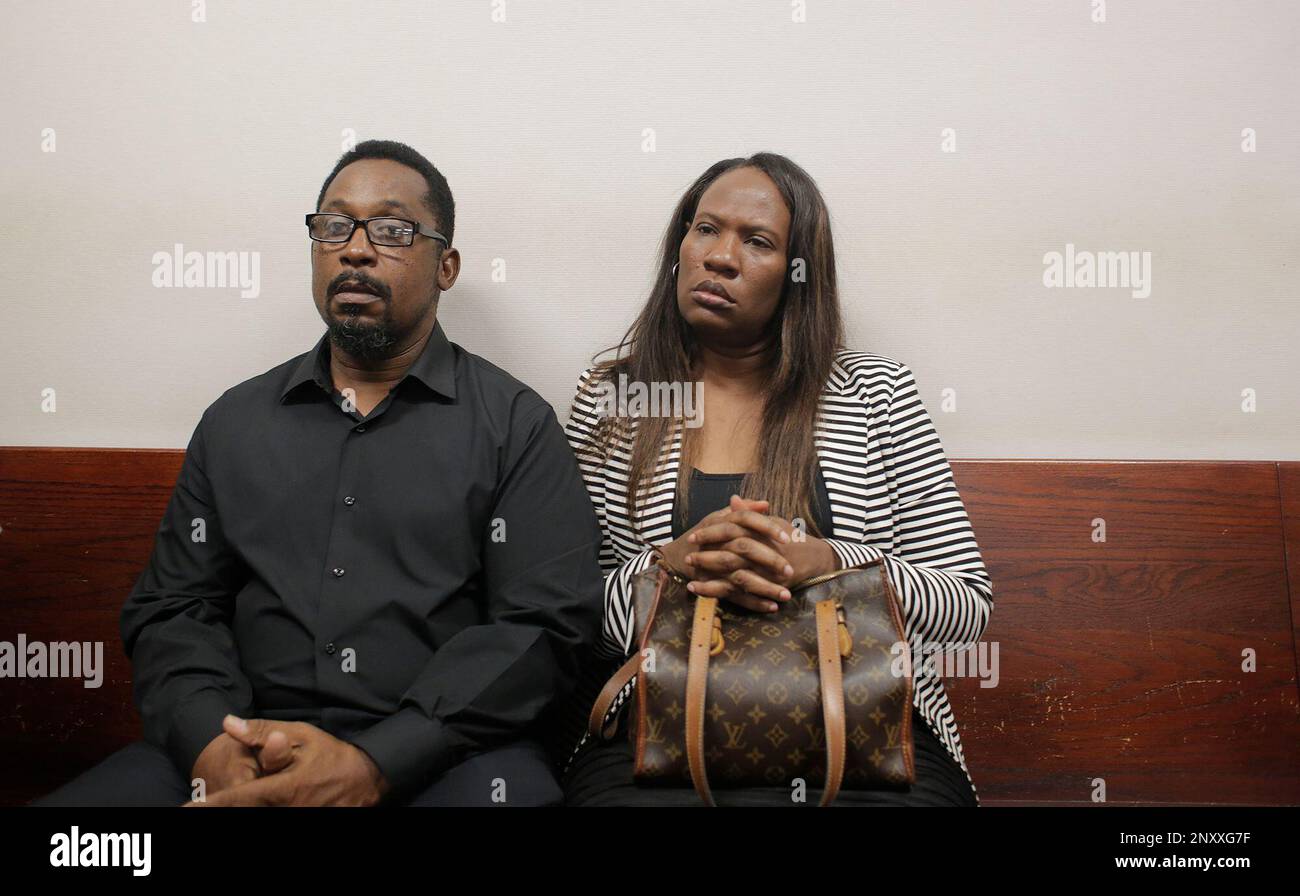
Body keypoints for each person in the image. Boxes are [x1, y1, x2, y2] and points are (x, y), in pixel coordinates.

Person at [33, 140, 604, 807]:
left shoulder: (514, 426)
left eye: (391, 230)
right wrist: (212, 744)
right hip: (239, 749)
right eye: (334, 226)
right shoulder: (235, 422)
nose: (355, 249)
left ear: (446, 265)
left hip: (445, 759)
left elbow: (544, 627)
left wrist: (377, 760)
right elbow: (173, 608)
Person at [560, 152, 994, 806]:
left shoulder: (877, 395)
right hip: (660, 724)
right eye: (705, 229)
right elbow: (564, 611)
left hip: (863, 725)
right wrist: (670, 568)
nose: (720, 257)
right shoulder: (617, 397)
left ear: (798, 275)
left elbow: (967, 605)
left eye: (757, 242)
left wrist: (826, 563)